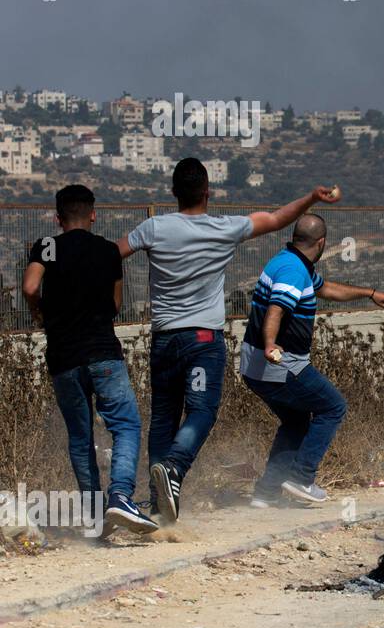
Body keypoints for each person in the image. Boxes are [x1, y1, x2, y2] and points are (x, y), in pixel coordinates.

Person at [118, 158, 339, 523]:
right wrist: (310, 198)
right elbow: (278, 219)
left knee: (162, 420)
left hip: (162, 340)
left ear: (173, 193)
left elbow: (112, 254)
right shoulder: (223, 228)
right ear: (208, 192)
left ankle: (159, 506)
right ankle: (174, 468)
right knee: (202, 411)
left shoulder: (153, 227)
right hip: (203, 340)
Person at [22, 185, 156, 535]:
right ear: (93, 214)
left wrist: (41, 313)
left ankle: (95, 515)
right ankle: (121, 496)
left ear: (58, 217)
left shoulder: (47, 246)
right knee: (125, 425)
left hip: (63, 357)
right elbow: (115, 305)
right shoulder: (109, 251)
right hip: (102, 352)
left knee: (80, 437)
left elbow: (30, 287)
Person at [240, 214, 384, 506]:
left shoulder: (291, 262)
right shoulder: (293, 271)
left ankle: (266, 493)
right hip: (279, 364)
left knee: (296, 421)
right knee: (333, 407)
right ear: (322, 243)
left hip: (254, 366)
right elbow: (276, 310)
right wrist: (271, 343)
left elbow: (326, 289)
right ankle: (302, 477)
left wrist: (370, 293)